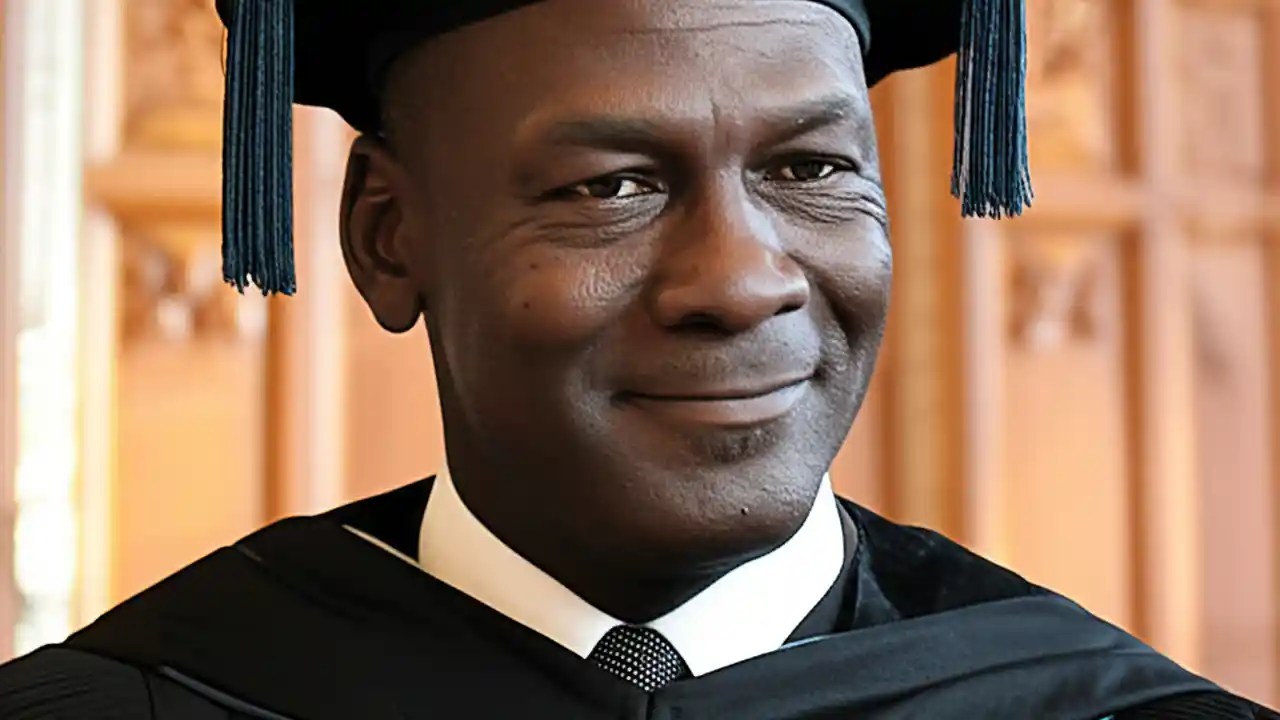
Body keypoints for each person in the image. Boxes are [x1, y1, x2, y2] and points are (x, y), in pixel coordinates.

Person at [0, 1, 1274, 718]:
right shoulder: (148, 704)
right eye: (610, 186)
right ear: (389, 240)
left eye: (811, 169)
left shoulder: (1098, 716)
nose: (740, 278)